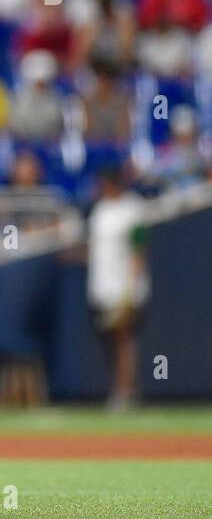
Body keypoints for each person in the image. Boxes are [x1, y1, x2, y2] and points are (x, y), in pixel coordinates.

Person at [86, 167, 150, 410]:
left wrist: (131, 288)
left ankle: (127, 391)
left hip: (125, 286)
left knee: (125, 339)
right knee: (110, 341)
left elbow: (139, 248)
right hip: (102, 286)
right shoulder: (100, 209)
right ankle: (118, 389)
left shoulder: (133, 209)